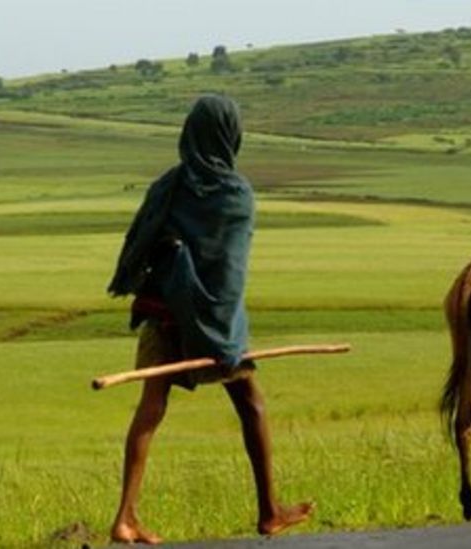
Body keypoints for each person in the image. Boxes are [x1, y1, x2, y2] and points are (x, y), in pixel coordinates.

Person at [106, 95, 314, 544]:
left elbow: (143, 242)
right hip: (216, 320)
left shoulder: (168, 185)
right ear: (229, 135)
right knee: (251, 403)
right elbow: (229, 272)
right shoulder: (236, 194)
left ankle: (126, 516)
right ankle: (268, 511)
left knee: (150, 408)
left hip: (162, 313)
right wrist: (220, 325)